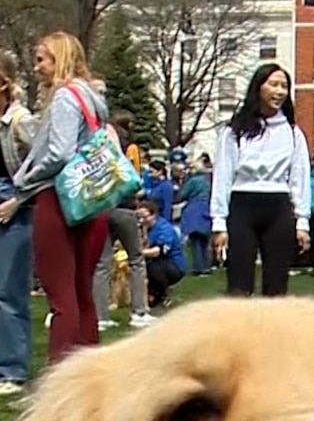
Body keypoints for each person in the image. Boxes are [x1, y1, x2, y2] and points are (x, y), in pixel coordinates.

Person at [0, 32, 109, 363]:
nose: (36, 68)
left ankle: (59, 374)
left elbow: (60, 153)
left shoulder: (64, 97)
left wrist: (25, 179)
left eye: (41, 60)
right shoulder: (91, 98)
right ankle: (88, 373)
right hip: (92, 200)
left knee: (61, 298)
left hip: (59, 199)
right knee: (81, 293)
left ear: (59, 59)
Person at [210, 63, 311, 296]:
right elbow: (223, 176)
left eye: (284, 86)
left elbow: (299, 178)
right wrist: (219, 223)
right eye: (273, 84)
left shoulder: (293, 133)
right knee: (239, 284)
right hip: (242, 205)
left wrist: (302, 222)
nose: (279, 91)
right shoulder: (234, 131)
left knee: (277, 284)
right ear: (259, 88)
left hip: (278, 206)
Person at [93, 110, 154, 331]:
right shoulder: (130, 148)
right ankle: (139, 312)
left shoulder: (100, 145)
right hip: (125, 207)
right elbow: (134, 178)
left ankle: (100, 316)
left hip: (103, 207)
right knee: (136, 259)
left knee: (103, 264)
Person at [0, 53, 37, 395]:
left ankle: (12, 370)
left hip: (15, 204)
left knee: (9, 290)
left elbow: (43, 166)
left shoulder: (20, 121)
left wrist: (17, 200)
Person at [137, 197, 185, 307]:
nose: (142, 220)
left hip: (173, 265)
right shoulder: (145, 228)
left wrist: (140, 252)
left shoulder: (164, 228)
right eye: (139, 217)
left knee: (150, 266)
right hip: (158, 261)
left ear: (153, 215)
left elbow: (159, 251)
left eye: (144, 217)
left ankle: (163, 293)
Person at [179, 153, 212, 276]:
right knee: (204, 241)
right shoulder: (207, 180)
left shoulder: (193, 181)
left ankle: (198, 267)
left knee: (195, 241)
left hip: (194, 210)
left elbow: (183, 194)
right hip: (206, 209)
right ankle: (207, 266)